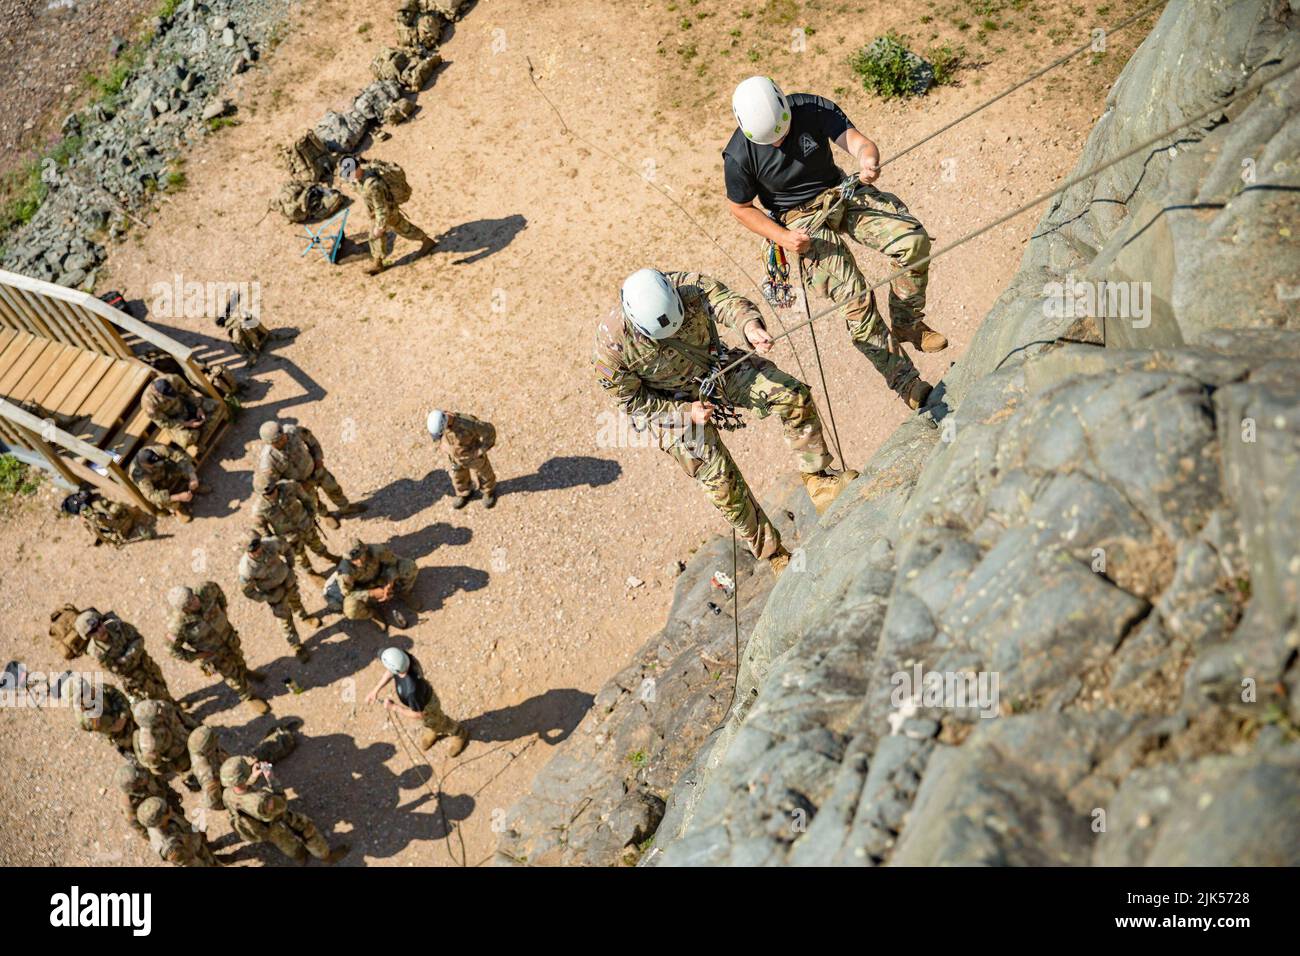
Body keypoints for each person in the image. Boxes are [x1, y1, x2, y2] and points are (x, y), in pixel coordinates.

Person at [593, 268, 855, 574]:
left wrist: (750, 327)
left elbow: (728, 302)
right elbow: (632, 402)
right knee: (720, 483)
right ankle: (774, 555)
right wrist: (684, 413)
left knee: (790, 395)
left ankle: (819, 480)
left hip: (716, 370)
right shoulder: (610, 347)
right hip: (669, 405)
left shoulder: (689, 287)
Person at [724, 76, 945, 409]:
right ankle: (906, 383)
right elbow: (740, 209)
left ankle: (907, 323)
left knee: (911, 242)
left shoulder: (810, 108)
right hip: (796, 220)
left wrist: (867, 160)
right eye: (770, 141)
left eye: (783, 133)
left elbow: (857, 142)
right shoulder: (739, 155)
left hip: (839, 192)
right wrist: (783, 237)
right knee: (854, 297)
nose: (779, 142)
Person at [165, 583, 270, 715]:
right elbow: (172, 650)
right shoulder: (178, 625)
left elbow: (218, 592)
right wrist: (198, 656)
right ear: (184, 609)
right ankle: (247, 696)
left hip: (229, 637)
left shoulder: (205, 590)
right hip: (214, 653)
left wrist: (224, 610)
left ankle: (245, 672)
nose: (195, 602)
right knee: (231, 674)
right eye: (190, 604)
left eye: (193, 598)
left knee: (238, 657)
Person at [220, 757, 348, 864]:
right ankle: (325, 856)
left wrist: (252, 778)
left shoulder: (226, 793)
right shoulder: (260, 801)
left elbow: (241, 794)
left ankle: (300, 857)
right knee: (306, 829)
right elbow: (282, 803)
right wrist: (271, 779)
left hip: (263, 828)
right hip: (275, 819)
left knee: (284, 842)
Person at [255, 419, 366, 528]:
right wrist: (296, 486)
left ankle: (345, 507)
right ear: (269, 443)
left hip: (316, 470)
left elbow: (311, 440)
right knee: (314, 503)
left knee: (333, 488)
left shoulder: (293, 431)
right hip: (302, 485)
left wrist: (318, 458)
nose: (282, 441)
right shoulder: (268, 461)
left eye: (282, 437)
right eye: (277, 442)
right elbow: (276, 485)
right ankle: (326, 515)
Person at [339, 155, 435, 276]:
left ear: (357, 169)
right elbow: (356, 186)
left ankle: (426, 242)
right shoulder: (360, 178)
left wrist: (380, 226)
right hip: (380, 212)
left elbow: (381, 207)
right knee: (389, 231)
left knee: (399, 229)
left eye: (350, 173)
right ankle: (378, 262)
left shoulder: (372, 185)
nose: (349, 176)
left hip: (387, 213)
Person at [366, 647, 469, 755]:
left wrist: (394, 707)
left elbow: (418, 715)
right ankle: (434, 729)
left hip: (426, 707)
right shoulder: (404, 659)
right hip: (423, 696)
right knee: (430, 722)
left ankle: (459, 732)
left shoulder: (411, 691)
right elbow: (391, 671)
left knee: (440, 722)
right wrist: (375, 690)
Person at [237, 530, 315, 662]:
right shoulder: (246, 569)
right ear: (246, 551)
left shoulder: (271, 544)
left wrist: (290, 566)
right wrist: (266, 598)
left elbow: (287, 549)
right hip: (273, 593)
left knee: (295, 599)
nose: (258, 551)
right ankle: (296, 645)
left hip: (287, 580)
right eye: (253, 551)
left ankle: (303, 616)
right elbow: (248, 591)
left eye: (258, 546)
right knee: (284, 619)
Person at [75, 609, 177, 705]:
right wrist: (134, 651)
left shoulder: (116, 626)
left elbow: (139, 639)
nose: (100, 630)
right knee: (155, 697)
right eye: (94, 631)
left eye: (100, 624)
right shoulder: (97, 652)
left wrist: (127, 657)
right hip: (135, 679)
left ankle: (174, 705)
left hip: (146, 662)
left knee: (161, 683)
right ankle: (175, 714)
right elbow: (117, 670)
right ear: (88, 636)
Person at [251, 476, 341, 577]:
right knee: (300, 557)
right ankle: (311, 573)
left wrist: (311, 514)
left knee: (316, 542)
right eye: (268, 493)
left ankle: (326, 556)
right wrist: (275, 541)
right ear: (261, 494)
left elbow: (306, 498)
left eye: (273, 489)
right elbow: (262, 528)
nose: (272, 494)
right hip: (289, 537)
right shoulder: (259, 509)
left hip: (305, 524)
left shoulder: (289, 486)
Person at [336, 538, 419, 629]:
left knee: (409, 566)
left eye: (360, 556)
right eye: (354, 560)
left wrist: (390, 581)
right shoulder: (345, 573)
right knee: (350, 610)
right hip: (365, 588)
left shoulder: (377, 550)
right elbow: (348, 593)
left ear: (365, 549)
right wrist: (371, 593)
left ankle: (402, 591)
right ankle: (373, 613)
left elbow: (392, 563)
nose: (359, 561)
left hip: (382, 577)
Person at [426, 409, 496, 508]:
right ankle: (464, 493)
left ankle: (488, 492)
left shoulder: (469, 424)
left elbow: (490, 431)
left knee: (484, 474)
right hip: (455, 458)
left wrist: (480, 451)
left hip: (472, 456)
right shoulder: (441, 421)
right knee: (458, 478)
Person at [140, 374, 221, 456]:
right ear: (158, 394)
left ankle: (201, 438)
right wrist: (187, 424)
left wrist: (198, 407)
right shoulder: (149, 404)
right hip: (174, 420)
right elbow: (164, 423)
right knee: (189, 438)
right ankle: (201, 432)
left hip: (186, 405)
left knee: (216, 406)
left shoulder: (173, 379)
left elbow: (188, 392)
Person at [128, 444, 207, 523]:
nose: (156, 464)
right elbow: (152, 496)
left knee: (180, 464)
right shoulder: (138, 475)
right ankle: (176, 508)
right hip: (156, 484)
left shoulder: (159, 450)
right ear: (145, 465)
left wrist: (192, 476)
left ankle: (193, 485)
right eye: (153, 464)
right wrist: (178, 497)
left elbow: (178, 457)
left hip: (166, 471)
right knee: (160, 498)